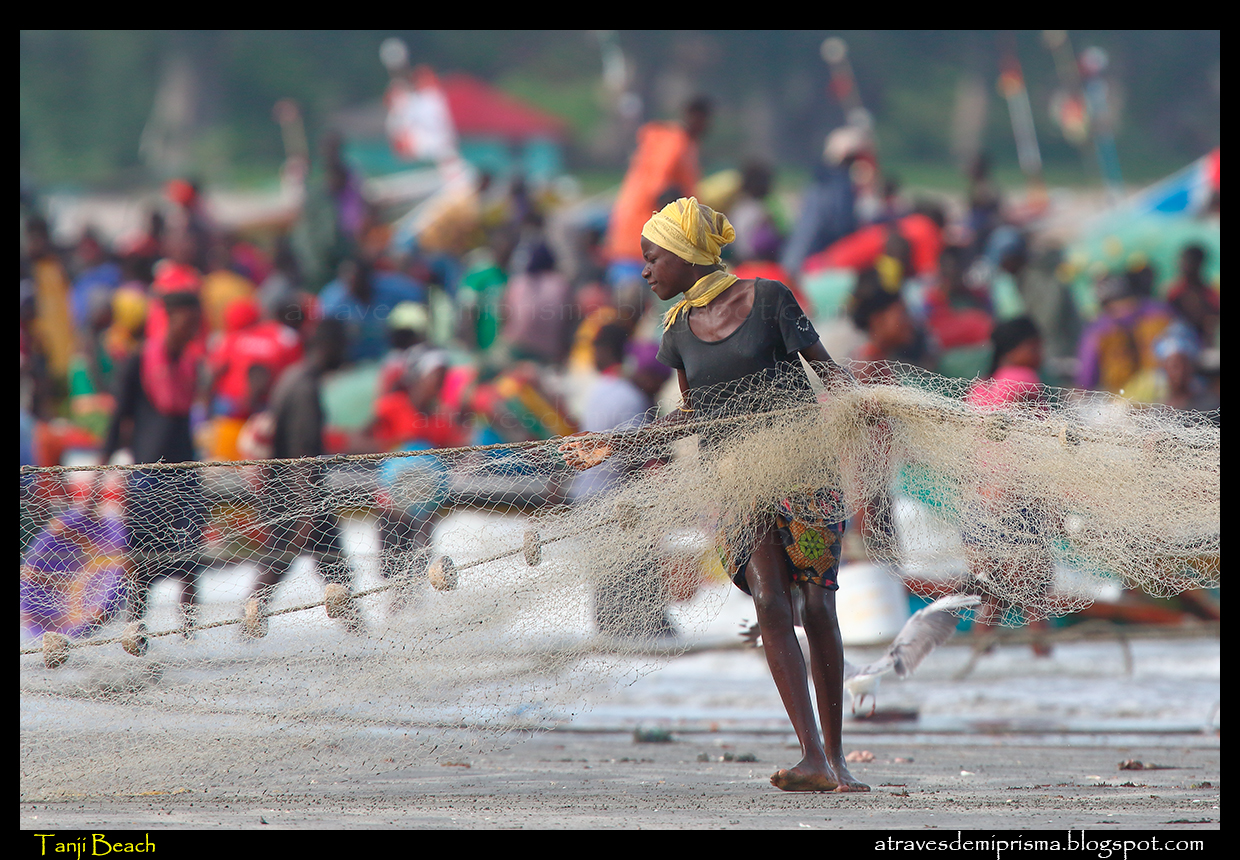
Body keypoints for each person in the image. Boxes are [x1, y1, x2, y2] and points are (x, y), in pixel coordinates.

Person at [561, 197, 868, 792]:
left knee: (814, 608)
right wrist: (616, 447)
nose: (646, 272)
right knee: (770, 602)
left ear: (685, 256)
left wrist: (865, 408)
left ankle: (837, 758)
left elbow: (826, 372)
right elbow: (692, 416)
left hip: (804, 472)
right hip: (733, 479)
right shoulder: (675, 333)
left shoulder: (771, 299)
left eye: (653, 259)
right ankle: (811, 758)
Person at [100, 291, 209, 649]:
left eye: (196, 322)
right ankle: (137, 633)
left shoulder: (192, 363)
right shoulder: (138, 361)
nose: (192, 328)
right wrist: (102, 470)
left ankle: (189, 636)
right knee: (142, 559)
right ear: (171, 317)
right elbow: (119, 419)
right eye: (187, 320)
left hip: (186, 474)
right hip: (148, 477)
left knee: (191, 556)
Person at [243, 319, 363, 636]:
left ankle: (360, 637)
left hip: (289, 495)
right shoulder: (306, 388)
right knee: (283, 567)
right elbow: (303, 457)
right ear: (329, 348)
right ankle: (242, 634)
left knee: (327, 570)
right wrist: (306, 513)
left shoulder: (292, 377)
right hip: (300, 498)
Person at [964, 316, 1055, 656]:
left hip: (978, 506)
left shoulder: (979, 390)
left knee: (992, 598)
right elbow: (1042, 444)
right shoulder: (1025, 380)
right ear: (1018, 348)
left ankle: (979, 675)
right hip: (1017, 502)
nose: (1041, 353)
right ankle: (1050, 680)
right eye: (1036, 345)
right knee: (1035, 601)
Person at [602, 96, 712, 290]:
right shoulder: (673, 142)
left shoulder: (684, 144)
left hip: (639, 240)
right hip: (640, 239)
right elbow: (658, 190)